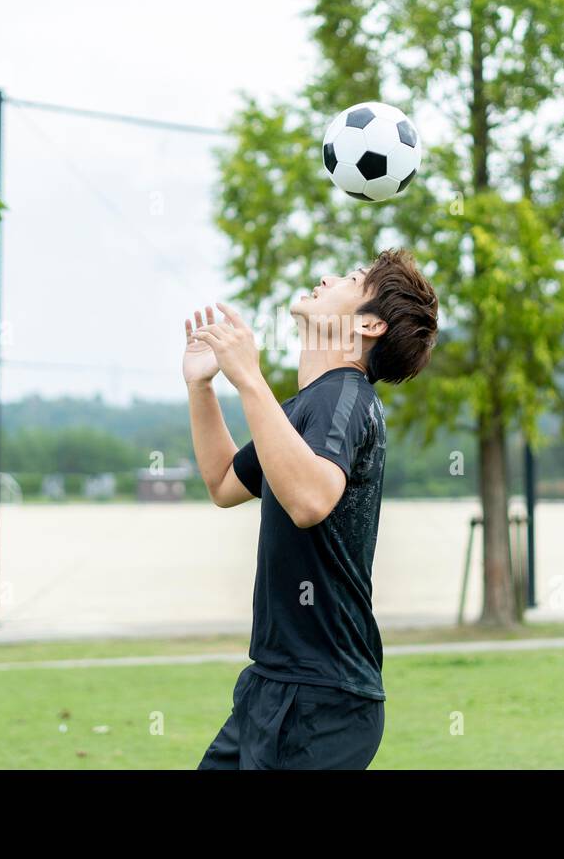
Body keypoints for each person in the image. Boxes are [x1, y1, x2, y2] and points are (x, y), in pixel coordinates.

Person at [184, 248, 439, 769]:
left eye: (350, 278)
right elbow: (224, 482)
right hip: (274, 684)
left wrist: (249, 378)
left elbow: (309, 501)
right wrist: (202, 386)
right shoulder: (305, 406)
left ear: (369, 324)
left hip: (322, 699)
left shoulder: (346, 396)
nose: (325, 277)